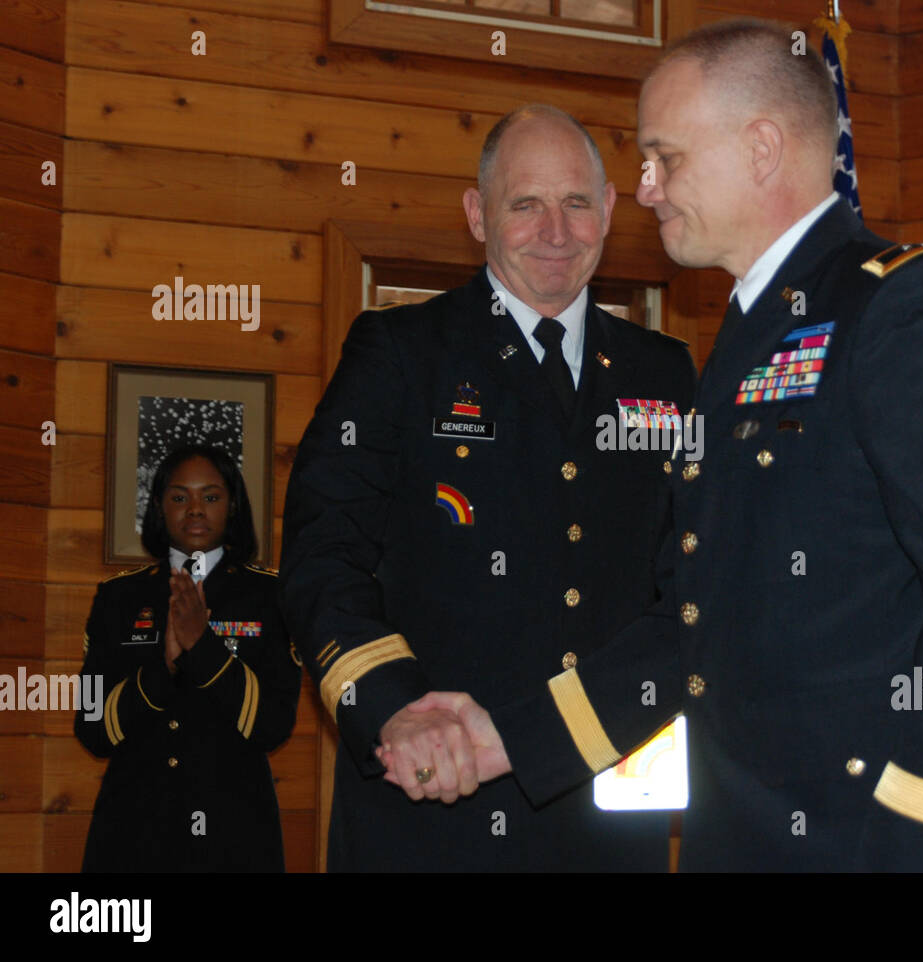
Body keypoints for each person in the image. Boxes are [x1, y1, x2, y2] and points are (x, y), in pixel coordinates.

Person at [446, 19, 923, 871]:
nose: (647, 187)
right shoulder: (747, 336)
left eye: (666, 156)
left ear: (763, 148)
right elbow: (695, 624)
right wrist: (506, 741)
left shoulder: (900, 311)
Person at [278, 103, 696, 871]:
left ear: (608, 210)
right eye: (525, 205)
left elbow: (693, 586)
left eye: (576, 203)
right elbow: (322, 556)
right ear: (478, 215)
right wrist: (394, 712)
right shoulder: (401, 354)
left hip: (607, 817)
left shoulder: (665, 374)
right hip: (435, 808)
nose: (556, 232)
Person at [76, 444, 301, 871]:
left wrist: (204, 649)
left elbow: (273, 725)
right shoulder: (117, 598)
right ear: (160, 508)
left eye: (211, 496)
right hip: (134, 832)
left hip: (234, 835)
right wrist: (164, 670)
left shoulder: (272, 596)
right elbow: (91, 727)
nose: (195, 509)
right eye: (180, 497)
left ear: (232, 506)